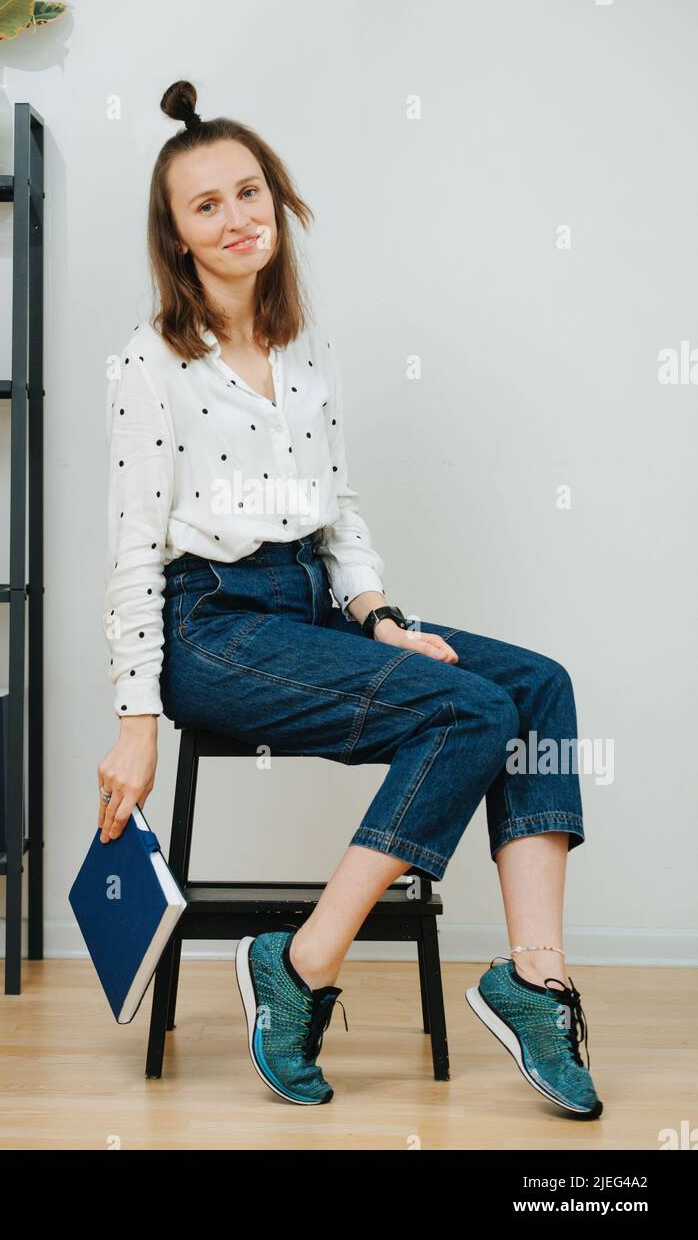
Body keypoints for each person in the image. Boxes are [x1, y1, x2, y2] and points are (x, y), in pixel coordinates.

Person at [97, 78, 601, 1117]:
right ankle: (302, 963)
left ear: (275, 201)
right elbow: (130, 554)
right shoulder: (151, 366)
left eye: (249, 193)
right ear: (176, 237)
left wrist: (380, 620)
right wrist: (135, 719)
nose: (237, 219)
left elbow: (337, 511)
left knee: (535, 687)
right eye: (207, 206)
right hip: (214, 627)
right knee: (468, 709)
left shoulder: (303, 344)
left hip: (312, 606)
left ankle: (533, 974)